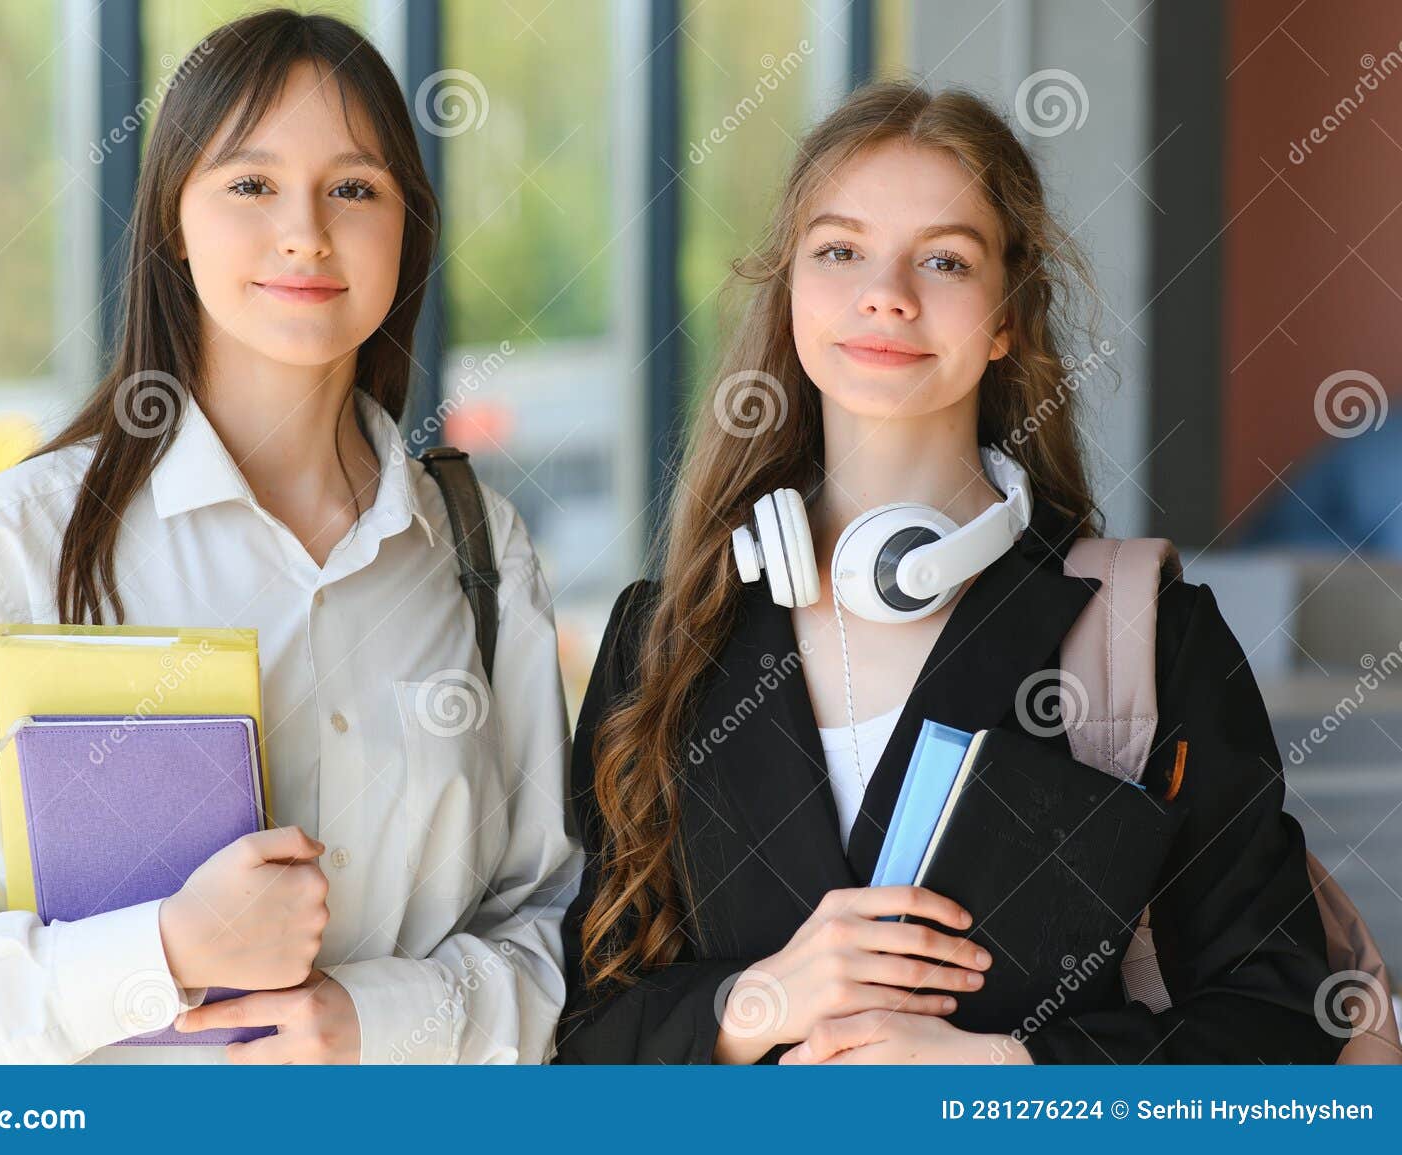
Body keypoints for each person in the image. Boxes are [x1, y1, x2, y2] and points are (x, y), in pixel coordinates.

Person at [0, 8, 578, 1065]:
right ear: (173, 221)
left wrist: (373, 1023)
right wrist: (161, 949)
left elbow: (554, 933)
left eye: (354, 188)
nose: (304, 230)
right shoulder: (18, 547)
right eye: (250, 185)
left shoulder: (477, 551)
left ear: (409, 227)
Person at [554, 81, 1341, 1065]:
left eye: (943, 258)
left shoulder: (1146, 634)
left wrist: (1011, 1077)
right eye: (839, 251)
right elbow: (582, 1036)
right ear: (791, 289)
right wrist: (755, 1003)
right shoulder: (664, 638)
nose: (886, 293)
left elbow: (1282, 1015)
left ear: (1007, 314)